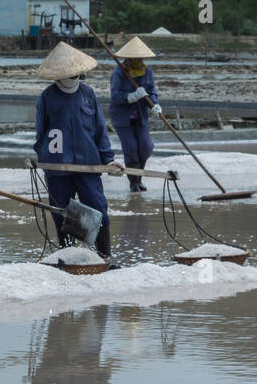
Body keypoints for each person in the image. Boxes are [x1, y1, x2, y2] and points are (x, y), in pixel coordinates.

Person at [32, 41, 121, 261]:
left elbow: (100, 130)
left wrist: (109, 160)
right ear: (58, 75)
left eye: (78, 74)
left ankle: (105, 256)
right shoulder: (47, 97)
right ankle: (67, 256)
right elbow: (41, 133)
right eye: (71, 74)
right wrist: (41, 159)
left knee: (97, 208)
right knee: (62, 212)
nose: (76, 78)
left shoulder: (88, 94)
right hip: (57, 167)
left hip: (88, 165)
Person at [108, 36, 163, 193]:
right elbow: (115, 96)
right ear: (129, 57)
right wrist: (130, 96)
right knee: (131, 148)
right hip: (122, 117)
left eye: (141, 57)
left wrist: (155, 104)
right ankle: (133, 182)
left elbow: (151, 91)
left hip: (140, 116)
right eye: (136, 57)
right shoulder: (119, 72)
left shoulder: (147, 72)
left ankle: (139, 178)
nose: (139, 60)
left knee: (146, 146)